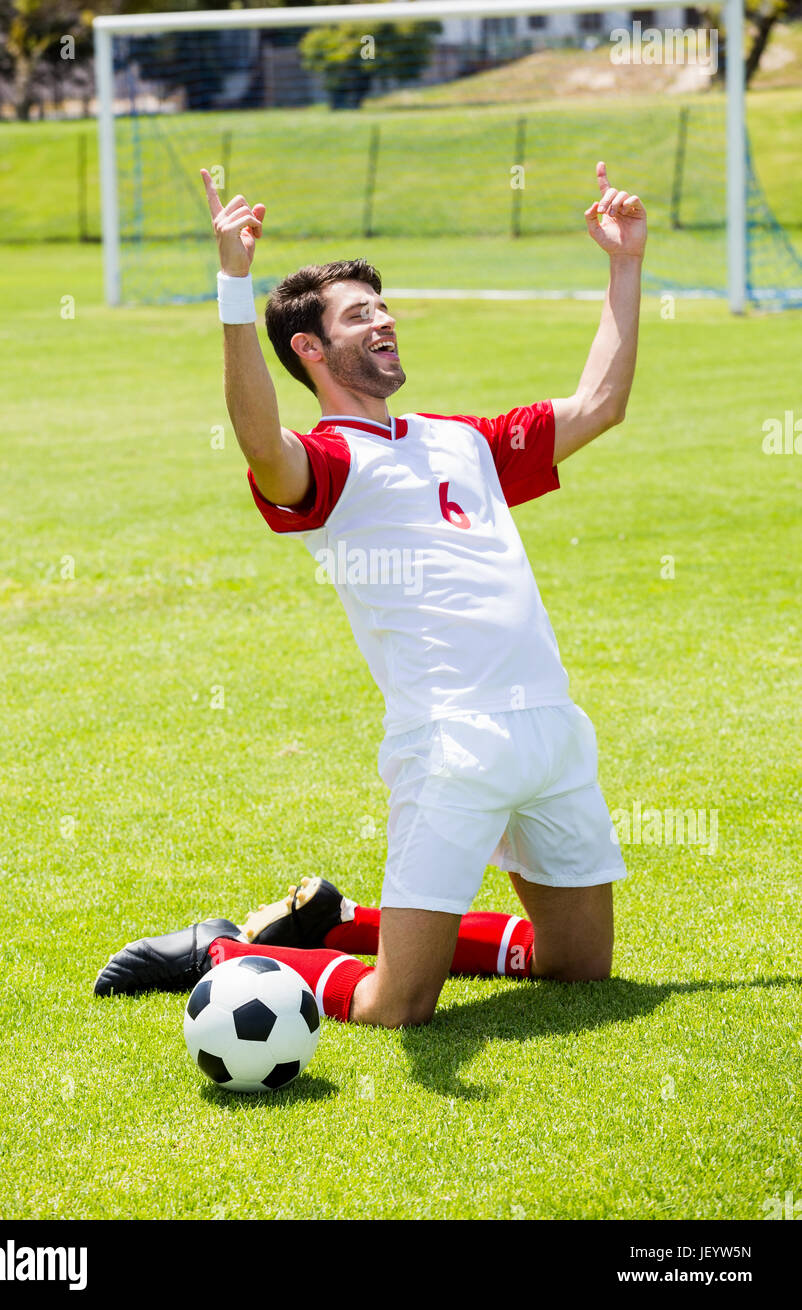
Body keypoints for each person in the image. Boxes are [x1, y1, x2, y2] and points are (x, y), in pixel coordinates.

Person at [95, 160, 647, 1029]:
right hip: (451, 741)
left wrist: (624, 264)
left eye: (382, 306)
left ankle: (345, 923)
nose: (384, 320)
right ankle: (228, 951)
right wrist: (233, 285)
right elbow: (255, 435)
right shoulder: (328, 463)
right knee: (398, 1006)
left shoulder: (464, 441)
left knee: (577, 967)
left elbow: (602, 403)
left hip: (551, 728)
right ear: (310, 349)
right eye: (360, 315)